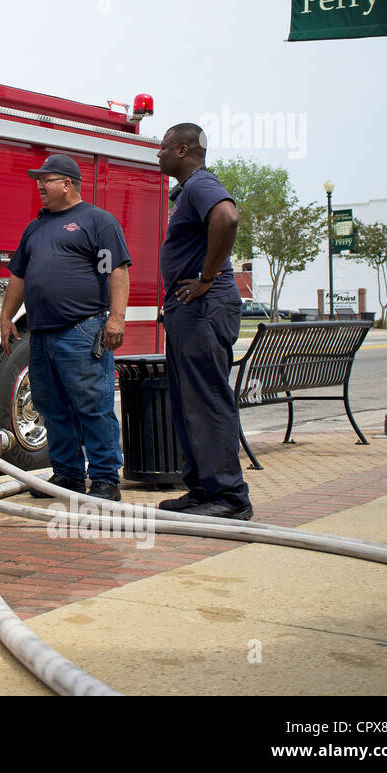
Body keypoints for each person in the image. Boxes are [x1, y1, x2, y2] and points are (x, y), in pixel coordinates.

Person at [0, 153, 130, 501]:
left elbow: (117, 270)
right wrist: (5, 317)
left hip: (82, 329)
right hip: (41, 333)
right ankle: (68, 475)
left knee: (92, 405)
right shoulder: (36, 226)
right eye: (39, 179)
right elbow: (18, 276)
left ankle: (105, 479)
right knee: (51, 405)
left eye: (47, 179)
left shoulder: (97, 221)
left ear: (67, 184)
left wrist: (116, 319)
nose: (40, 185)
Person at [156, 123, 253, 520]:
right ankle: (202, 488)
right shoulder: (188, 191)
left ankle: (229, 497)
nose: (157, 154)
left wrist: (206, 279)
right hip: (190, 310)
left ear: (182, 150)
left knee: (207, 400)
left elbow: (227, 218)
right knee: (188, 401)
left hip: (204, 307)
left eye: (162, 147)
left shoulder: (200, 184)